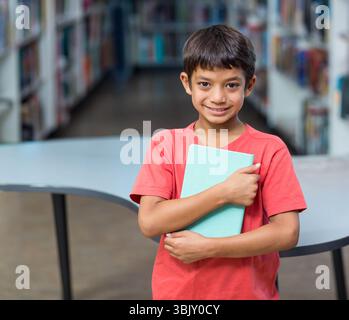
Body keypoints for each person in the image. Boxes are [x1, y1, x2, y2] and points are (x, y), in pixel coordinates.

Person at [129, 25, 307, 300]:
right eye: (205, 84)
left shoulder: (271, 149)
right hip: (179, 295)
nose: (218, 97)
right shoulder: (167, 145)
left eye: (231, 85)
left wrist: (210, 247)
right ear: (187, 83)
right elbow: (150, 222)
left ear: (249, 86)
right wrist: (223, 193)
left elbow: (287, 232)